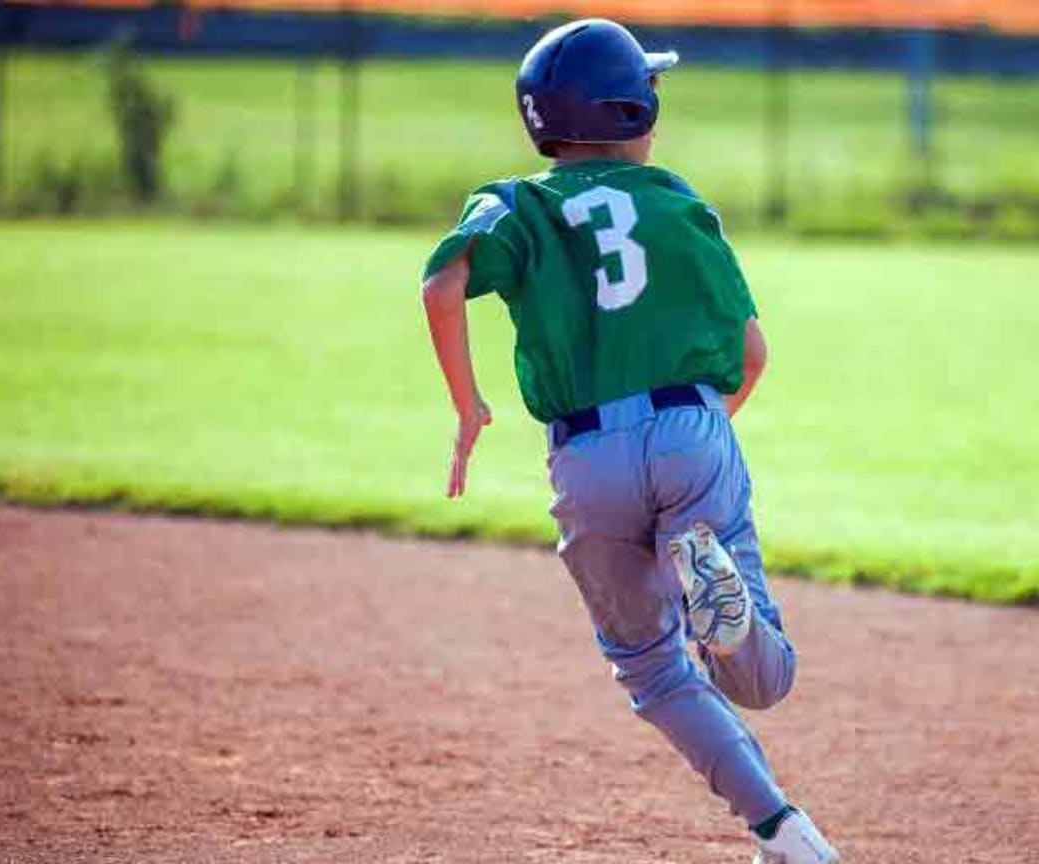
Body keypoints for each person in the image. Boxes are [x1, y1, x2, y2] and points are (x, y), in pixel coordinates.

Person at [418, 19, 839, 864]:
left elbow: (443, 279)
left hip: (583, 457)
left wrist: (468, 407)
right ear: (631, 108)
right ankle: (723, 613)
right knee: (765, 677)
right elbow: (752, 356)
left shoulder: (516, 201)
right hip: (689, 426)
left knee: (650, 669)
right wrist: (698, 439)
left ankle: (782, 834)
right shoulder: (677, 201)